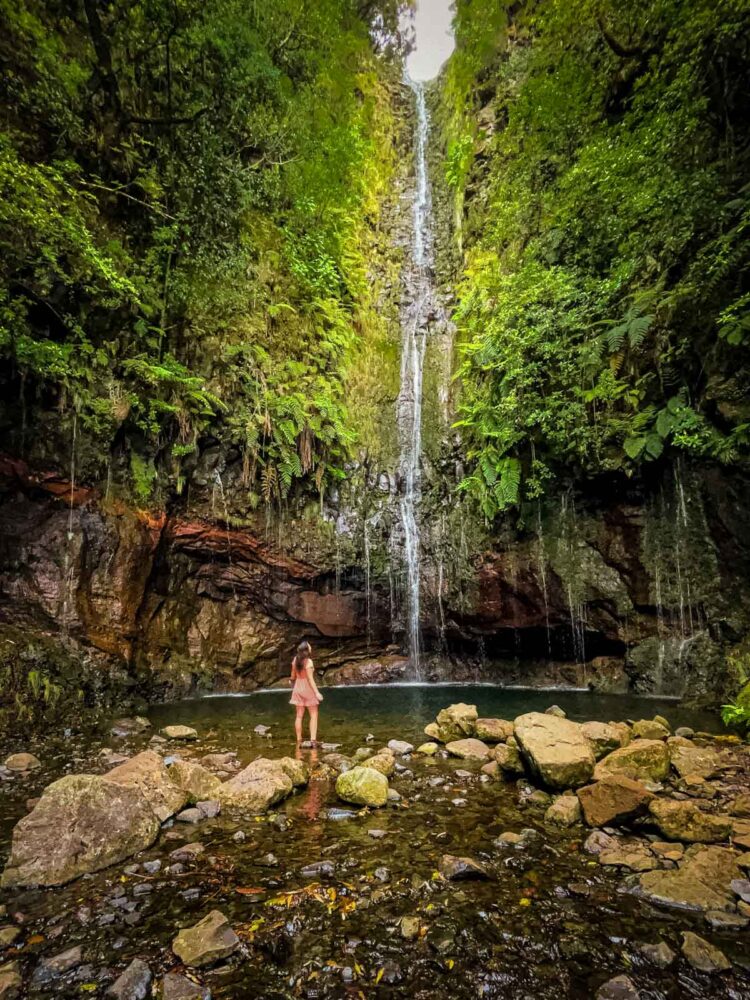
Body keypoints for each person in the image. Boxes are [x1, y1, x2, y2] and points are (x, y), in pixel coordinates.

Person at [289, 640, 323, 745]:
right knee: (314, 714)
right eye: (310, 646)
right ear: (306, 650)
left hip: (298, 688)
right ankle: (313, 740)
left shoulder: (295, 660)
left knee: (299, 715)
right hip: (307, 689)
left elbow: (293, 677)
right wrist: (317, 693)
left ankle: (299, 739)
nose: (311, 648)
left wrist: (291, 682)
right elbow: (310, 679)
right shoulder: (308, 662)